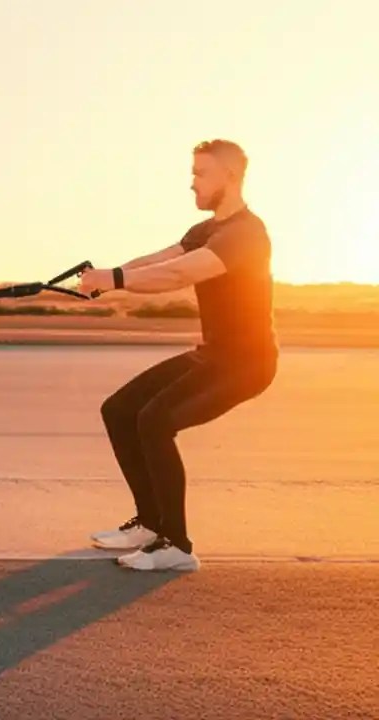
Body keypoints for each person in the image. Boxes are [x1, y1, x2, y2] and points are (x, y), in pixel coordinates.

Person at [77, 139, 279, 572]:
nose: (192, 184)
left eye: (200, 174)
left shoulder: (246, 234)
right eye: (192, 173)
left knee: (154, 420)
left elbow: (178, 273)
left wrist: (114, 280)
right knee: (119, 410)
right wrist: (106, 277)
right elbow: (162, 258)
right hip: (213, 356)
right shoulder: (204, 231)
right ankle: (150, 524)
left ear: (230, 176)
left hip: (247, 364)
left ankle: (177, 546)